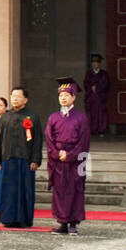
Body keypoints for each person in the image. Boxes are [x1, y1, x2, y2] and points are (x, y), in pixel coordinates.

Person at [0, 86, 42, 228]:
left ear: (25, 99)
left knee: (25, 189)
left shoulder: (32, 117)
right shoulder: (6, 116)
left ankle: (24, 219)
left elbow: (37, 140)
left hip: (26, 159)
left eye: (18, 96)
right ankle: (8, 218)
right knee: (8, 190)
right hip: (8, 158)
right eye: (12, 96)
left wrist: (35, 159)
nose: (14, 99)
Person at [45, 77, 90, 235]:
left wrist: (70, 155)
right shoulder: (53, 117)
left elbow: (83, 142)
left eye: (66, 95)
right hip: (58, 160)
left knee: (75, 190)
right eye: (60, 95)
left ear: (74, 97)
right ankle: (62, 222)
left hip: (75, 161)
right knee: (59, 191)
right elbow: (49, 139)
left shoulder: (81, 118)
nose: (63, 98)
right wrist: (57, 154)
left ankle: (73, 223)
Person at [83, 54, 110, 136]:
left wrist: (97, 88)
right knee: (91, 114)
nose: (95, 64)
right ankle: (91, 130)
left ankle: (101, 131)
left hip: (100, 97)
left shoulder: (104, 74)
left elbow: (106, 84)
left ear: (99, 64)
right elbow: (86, 83)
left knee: (101, 114)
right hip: (91, 97)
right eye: (93, 62)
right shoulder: (89, 73)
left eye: (97, 62)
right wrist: (91, 88)